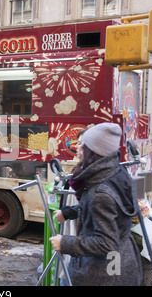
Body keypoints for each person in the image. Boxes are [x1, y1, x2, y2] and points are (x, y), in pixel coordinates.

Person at [49, 123, 143, 286]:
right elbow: (109, 210)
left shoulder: (100, 192)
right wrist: (69, 212)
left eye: (82, 145)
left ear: (93, 153)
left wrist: (66, 243)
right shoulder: (116, 173)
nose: (78, 149)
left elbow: (106, 242)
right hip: (120, 261)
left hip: (104, 273)